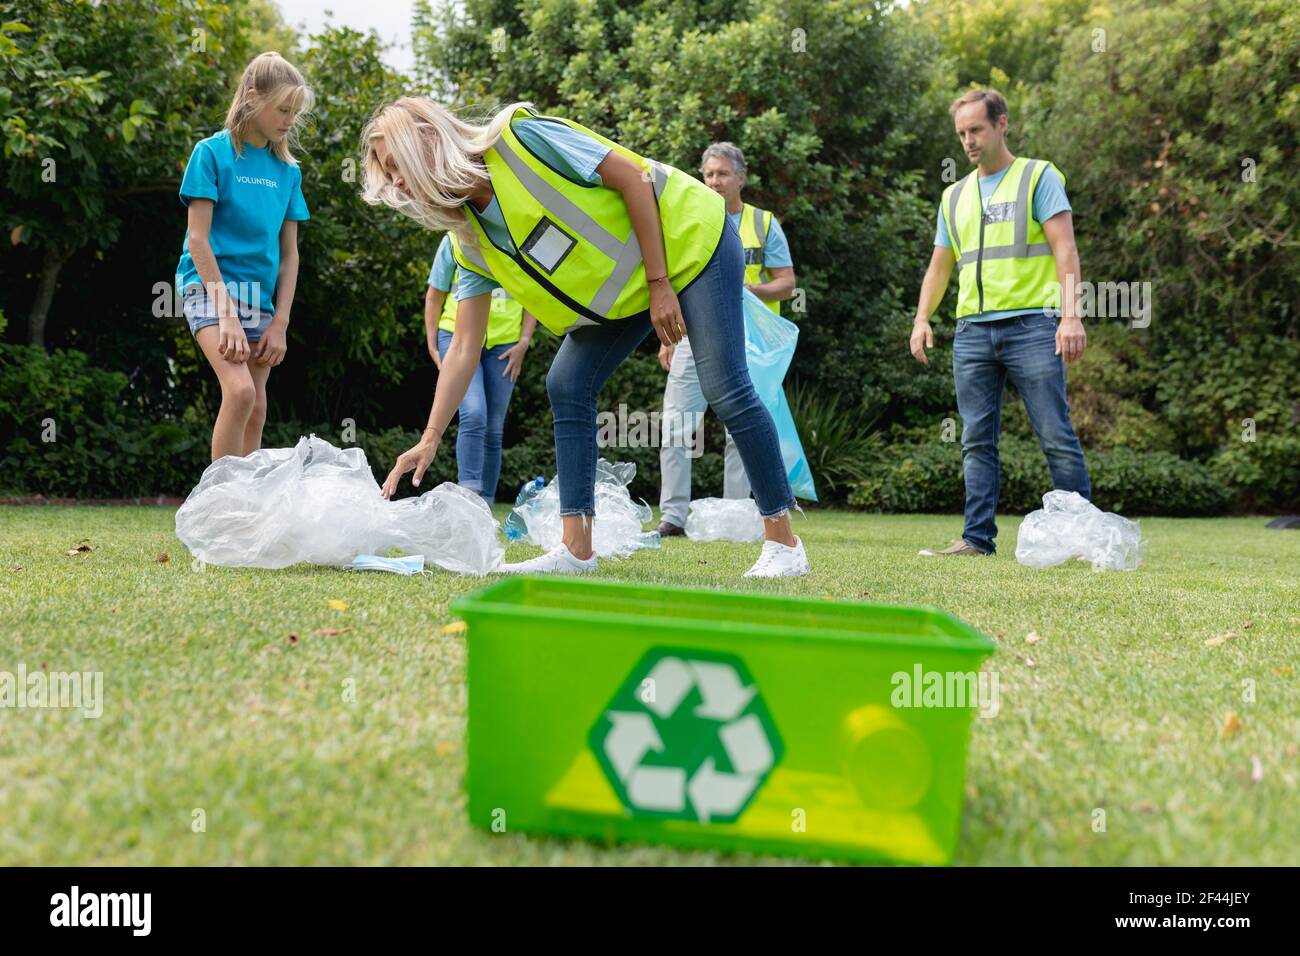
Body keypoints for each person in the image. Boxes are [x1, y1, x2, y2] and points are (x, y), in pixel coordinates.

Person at [361, 98, 809, 577]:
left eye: (394, 167)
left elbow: (635, 177)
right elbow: (465, 347)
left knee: (725, 385)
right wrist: (430, 438)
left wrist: (661, 285)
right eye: (388, 178)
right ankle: (576, 550)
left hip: (691, 237)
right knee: (567, 384)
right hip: (632, 287)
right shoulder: (467, 240)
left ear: (425, 139)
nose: (397, 184)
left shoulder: (521, 138)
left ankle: (784, 544)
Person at [910, 88, 1090, 557]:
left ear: (1001, 124)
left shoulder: (1038, 177)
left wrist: (1071, 316)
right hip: (972, 331)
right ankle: (976, 540)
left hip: (1033, 326)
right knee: (976, 441)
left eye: (977, 129)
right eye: (962, 133)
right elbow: (940, 265)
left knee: (1055, 434)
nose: (968, 140)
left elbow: (1065, 249)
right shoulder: (954, 196)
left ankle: (1078, 538)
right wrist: (922, 318)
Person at [174, 51, 311, 462]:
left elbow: (291, 255)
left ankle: (247, 512)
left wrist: (281, 323)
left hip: (260, 297)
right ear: (252, 97)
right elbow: (197, 240)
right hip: (208, 286)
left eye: (295, 112)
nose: (289, 120)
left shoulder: (288, 171)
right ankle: (220, 510)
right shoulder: (211, 153)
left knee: (257, 408)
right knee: (239, 392)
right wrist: (227, 313)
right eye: (283, 109)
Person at [656, 142, 796, 536]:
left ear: (741, 177)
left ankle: (734, 515)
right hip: (691, 334)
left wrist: (751, 290)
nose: (714, 181)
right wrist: (668, 340)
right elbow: (676, 284)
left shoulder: (764, 225)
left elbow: (787, 284)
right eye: (709, 174)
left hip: (749, 339)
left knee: (740, 428)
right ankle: (672, 517)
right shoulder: (692, 221)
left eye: (722, 174)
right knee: (676, 425)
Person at [424, 234, 537, 504]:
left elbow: (533, 294)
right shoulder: (453, 239)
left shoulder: (516, 234)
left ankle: (485, 504)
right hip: (457, 335)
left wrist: (524, 341)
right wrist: (432, 343)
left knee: (494, 427)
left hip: (505, 344)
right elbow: (434, 296)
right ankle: (469, 496)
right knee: (474, 413)